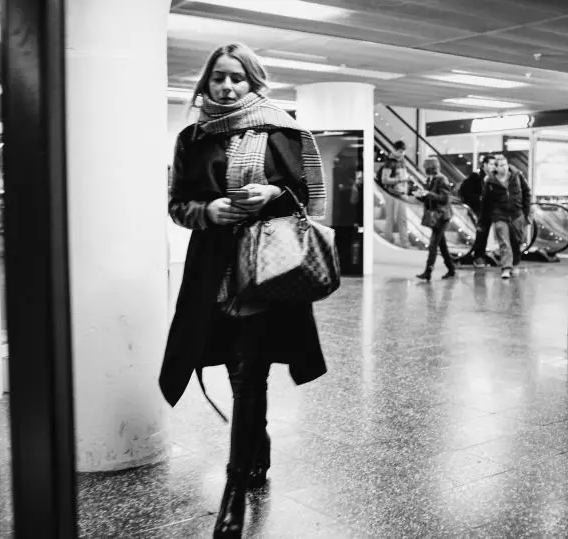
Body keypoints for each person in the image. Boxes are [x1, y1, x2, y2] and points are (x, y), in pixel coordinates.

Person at [159, 43, 328, 539]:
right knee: (236, 370)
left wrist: (274, 194)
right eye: (219, 78)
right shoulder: (192, 137)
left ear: (255, 81)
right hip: (214, 270)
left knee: (251, 371)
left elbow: (310, 199)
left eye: (238, 78)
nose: (228, 86)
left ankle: (233, 494)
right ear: (206, 83)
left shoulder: (285, 129)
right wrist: (207, 212)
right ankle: (260, 441)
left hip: (268, 270)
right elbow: (177, 204)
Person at [479, 155, 531, 279]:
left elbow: (526, 192)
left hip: (517, 214)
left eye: (506, 164)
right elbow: (486, 202)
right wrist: (482, 220)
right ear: (496, 167)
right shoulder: (490, 181)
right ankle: (506, 268)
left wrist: (526, 212)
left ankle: (514, 263)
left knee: (516, 242)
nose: (505, 167)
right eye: (501, 165)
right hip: (500, 215)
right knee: (504, 241)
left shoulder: (517, 176)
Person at [416, 157, 455, 281]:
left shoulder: (442, 180)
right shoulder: (431, 179)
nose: (424, 169)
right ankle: (451, 269)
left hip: (442, 216)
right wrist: (421, 196)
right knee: (441, 245)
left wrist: (428, 194)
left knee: (433, 244)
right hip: (437, 215)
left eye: (425, 167)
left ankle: (428, 271)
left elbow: (445, 199)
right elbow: (430, 198)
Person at [458, 155, 496, 267]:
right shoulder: (475, 177)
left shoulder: (494, 178)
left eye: (494, 164)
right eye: (490, 164)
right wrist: (479, 199)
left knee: (484, 234)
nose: (493, 167)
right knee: (481, 233)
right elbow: (466, 192)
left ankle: (480, 255)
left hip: (488, 210)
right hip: (477, 211)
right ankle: (478, 256)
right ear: (484, 164)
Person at [378, 140, 412, 247]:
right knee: (391, 218)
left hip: (401, 193)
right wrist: (400, 179)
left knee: (402, 218)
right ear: (395, 150)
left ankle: (404, 242)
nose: (402, 153)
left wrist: (405, 182)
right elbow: (384, 180)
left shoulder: (402, 162)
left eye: (403, 151)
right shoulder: (389, 163)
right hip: (391, 193)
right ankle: (389, 239)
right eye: (400, 151)